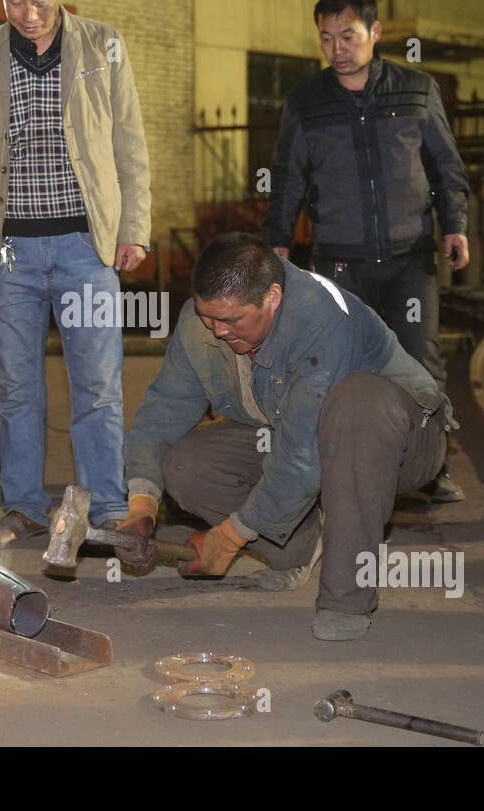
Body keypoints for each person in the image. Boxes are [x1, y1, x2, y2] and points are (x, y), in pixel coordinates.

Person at [118, 233, 457, 641]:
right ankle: (296, 545)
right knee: (184, 464)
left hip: (402, 441)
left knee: (357, 403)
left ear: (273, 297)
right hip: (299, 438)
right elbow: (160, 414)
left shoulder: (321, 320)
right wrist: (141, 505)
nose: (219, 331)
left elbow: (301, 459)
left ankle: (346, 597)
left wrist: (229, 537)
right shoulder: (200, 323)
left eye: (232, 320)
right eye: (210, 317)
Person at [0, 0, 152, 547]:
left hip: (86, 251)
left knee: (97, 386)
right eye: (14, 1)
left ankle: (106, 506)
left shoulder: (102, 45)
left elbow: (129, 144)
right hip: (8, 256)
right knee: (16, 391)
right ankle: (26, 506)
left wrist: (134, 227)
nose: (28, 15)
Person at [264, 0, 469, 503]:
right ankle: (335, 468)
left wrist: (455, 224)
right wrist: (278, 245)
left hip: (409, 259)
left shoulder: (416, 90)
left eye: (348, 36)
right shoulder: (306, 103)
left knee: (420, 360)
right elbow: (287, 177)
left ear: (375, 34)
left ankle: (429, 468)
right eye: (327, 38)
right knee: (336, 365)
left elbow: (445, 165)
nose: (337, 48)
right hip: (338, 264)